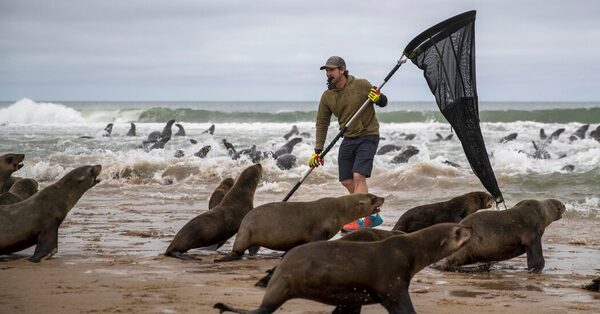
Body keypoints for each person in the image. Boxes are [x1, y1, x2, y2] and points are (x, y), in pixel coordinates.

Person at [309, 56, 388, 232]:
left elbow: (383, 102)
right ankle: (371, 214)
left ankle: (362, 219)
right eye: (326, 71)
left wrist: (378, 98)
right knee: (346, 180)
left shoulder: (361, 85)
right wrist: (317, 151)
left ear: (342, 70)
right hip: (348, 136)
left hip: (368, 134)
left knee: (358, 176)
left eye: (331, 70)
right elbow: (322, 123)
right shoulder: (328, 96)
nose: (328, 74)